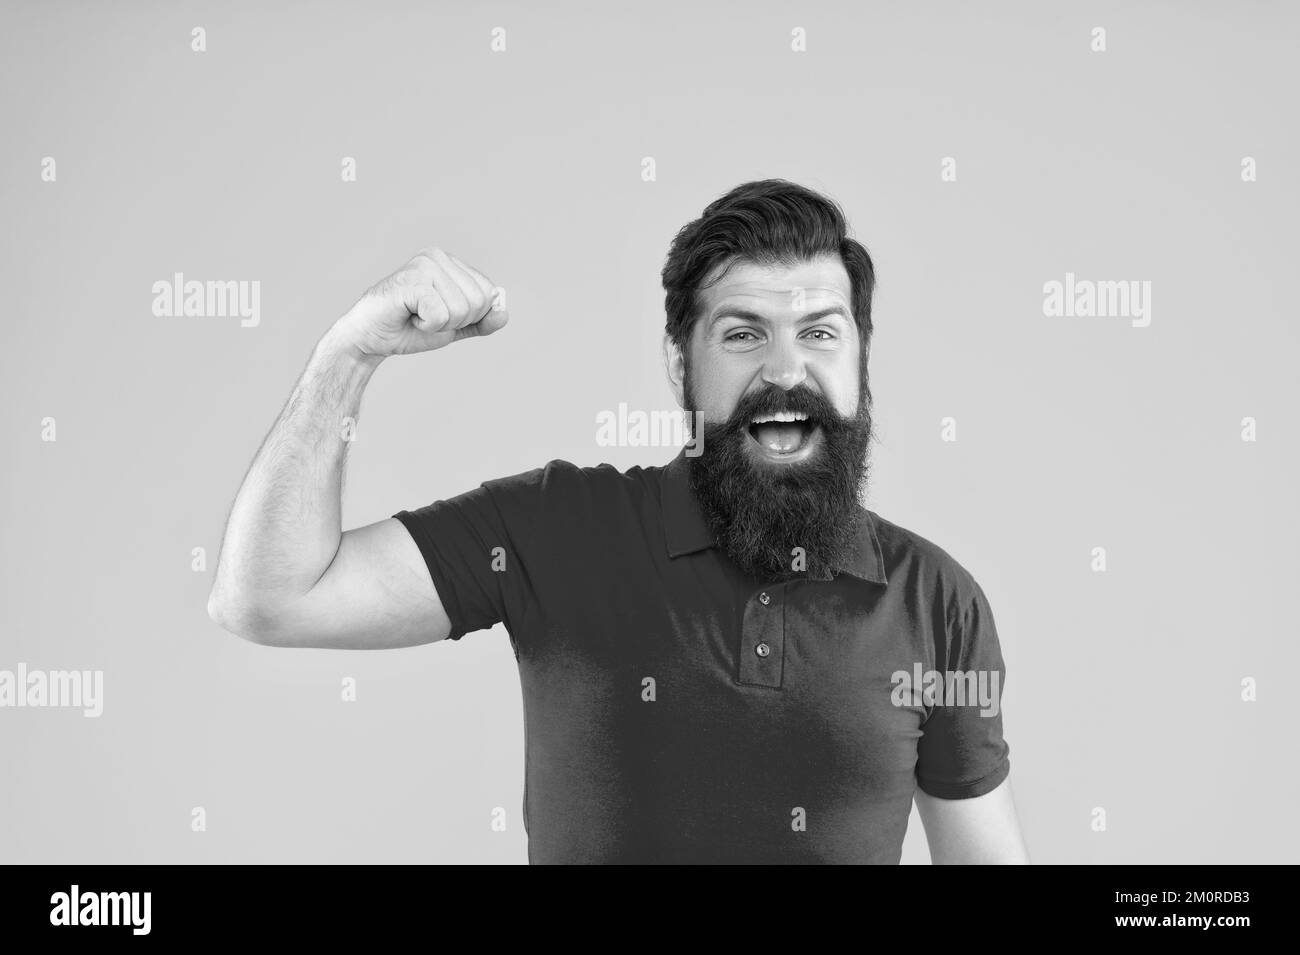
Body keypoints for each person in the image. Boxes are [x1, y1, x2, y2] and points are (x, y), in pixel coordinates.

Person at [208, 179, 1030, 864]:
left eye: (820, 332)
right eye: (743, 334)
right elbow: (270, 596)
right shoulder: (555, 528)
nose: (786, 369)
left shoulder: (941, 605)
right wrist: (350, 353)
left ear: (860, 358)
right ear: (681, 362)